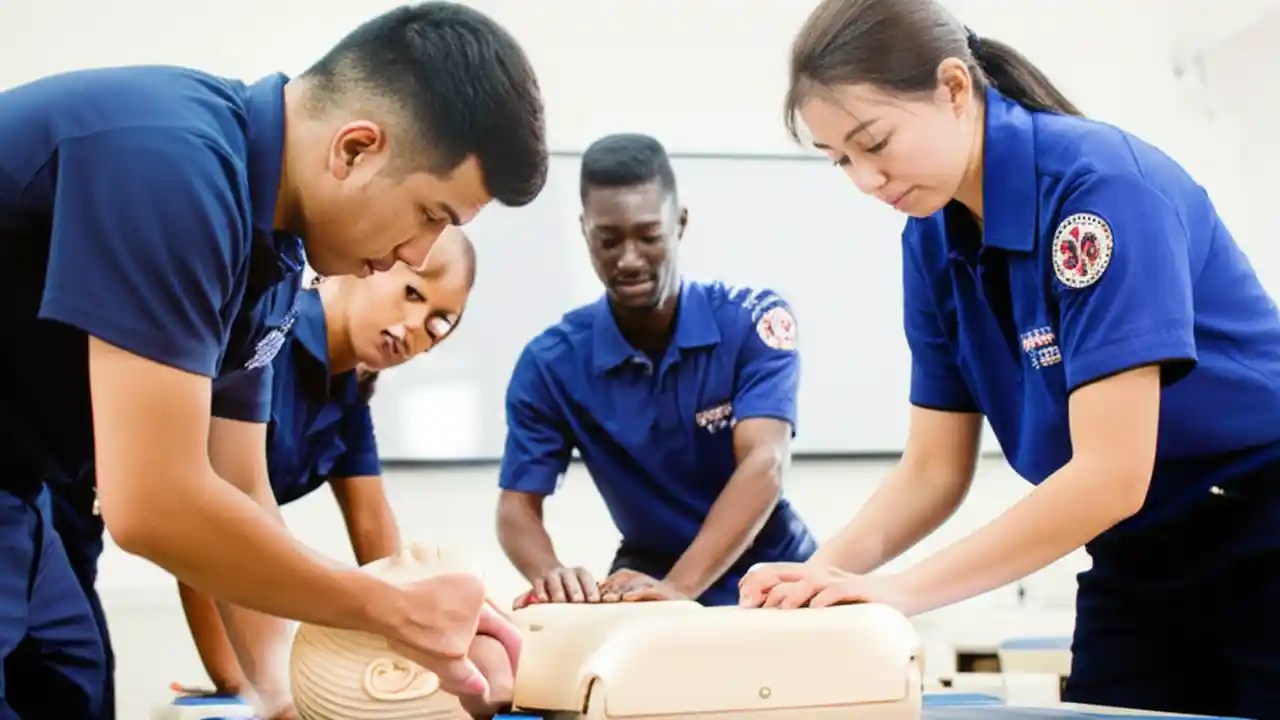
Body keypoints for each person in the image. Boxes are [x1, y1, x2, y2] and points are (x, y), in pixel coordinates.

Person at [0, 2, 546, 717]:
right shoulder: (172, 166)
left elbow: (237, 483)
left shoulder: (278, 251)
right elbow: (155, 503)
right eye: (431, 216)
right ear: (355, 149)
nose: (418, 253)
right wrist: (385, 607)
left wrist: (283, 700)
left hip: (24, 486)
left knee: (70, 679)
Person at [737, 1, 1280, 718]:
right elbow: (933, 469)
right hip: (1137, 550)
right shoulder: (930, 237)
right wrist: (818, 577)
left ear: (955, 88)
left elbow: (1112, 474)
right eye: (842, 160)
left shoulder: (1101, 192)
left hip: (1262, 526)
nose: (866, 180)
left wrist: (901, 591)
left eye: (875, 143)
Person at [497, 133, 818, 609]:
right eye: (608, 240)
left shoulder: (753, 321)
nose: (629, 259)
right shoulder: (551, 363)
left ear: (680, 224)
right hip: (644, 576)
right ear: (585, 231)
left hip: (773, 573)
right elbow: (516, 507)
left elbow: (764, 463)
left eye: (648, 237)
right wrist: (553, 577)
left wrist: (680, 589)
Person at [177, 228, 478, 701]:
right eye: (411, 293)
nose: (413, 325)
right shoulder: (266, 333)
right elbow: (198, 532)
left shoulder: (350, 398)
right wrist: (241, 688)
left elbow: (376, 535)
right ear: (370, 264)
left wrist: (428, 643)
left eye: (438, 324)